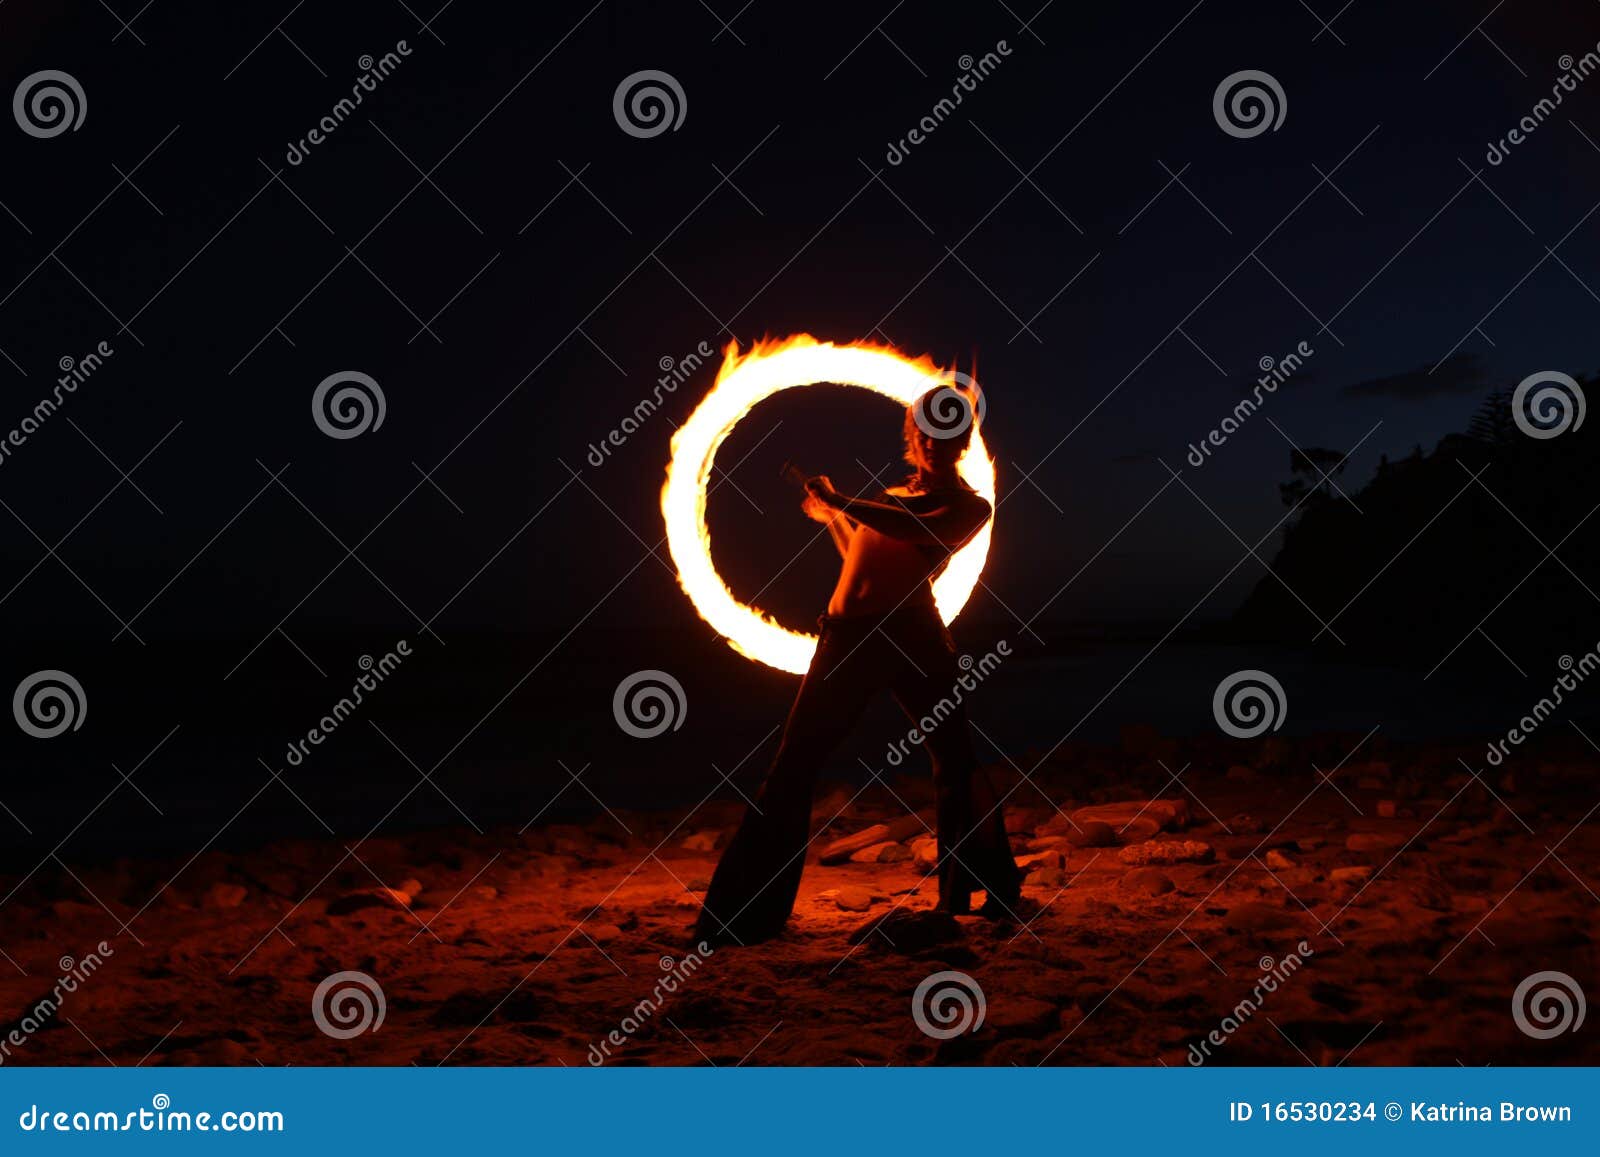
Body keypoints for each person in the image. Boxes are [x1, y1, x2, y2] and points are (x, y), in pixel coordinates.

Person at [693, 386, 1021, 946]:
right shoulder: (890, 498)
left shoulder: (970, 506)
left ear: (963, 441)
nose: (938, 442)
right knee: (793, 765)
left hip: (913, 635)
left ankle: (973, 889)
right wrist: (831, 517)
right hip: (846, 638)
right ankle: (742, 913)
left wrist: (844, 502)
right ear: (913, 437)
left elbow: (916, 529)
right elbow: (867, 553)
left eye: (951, 433)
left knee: (954, 761)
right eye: (928, 431)